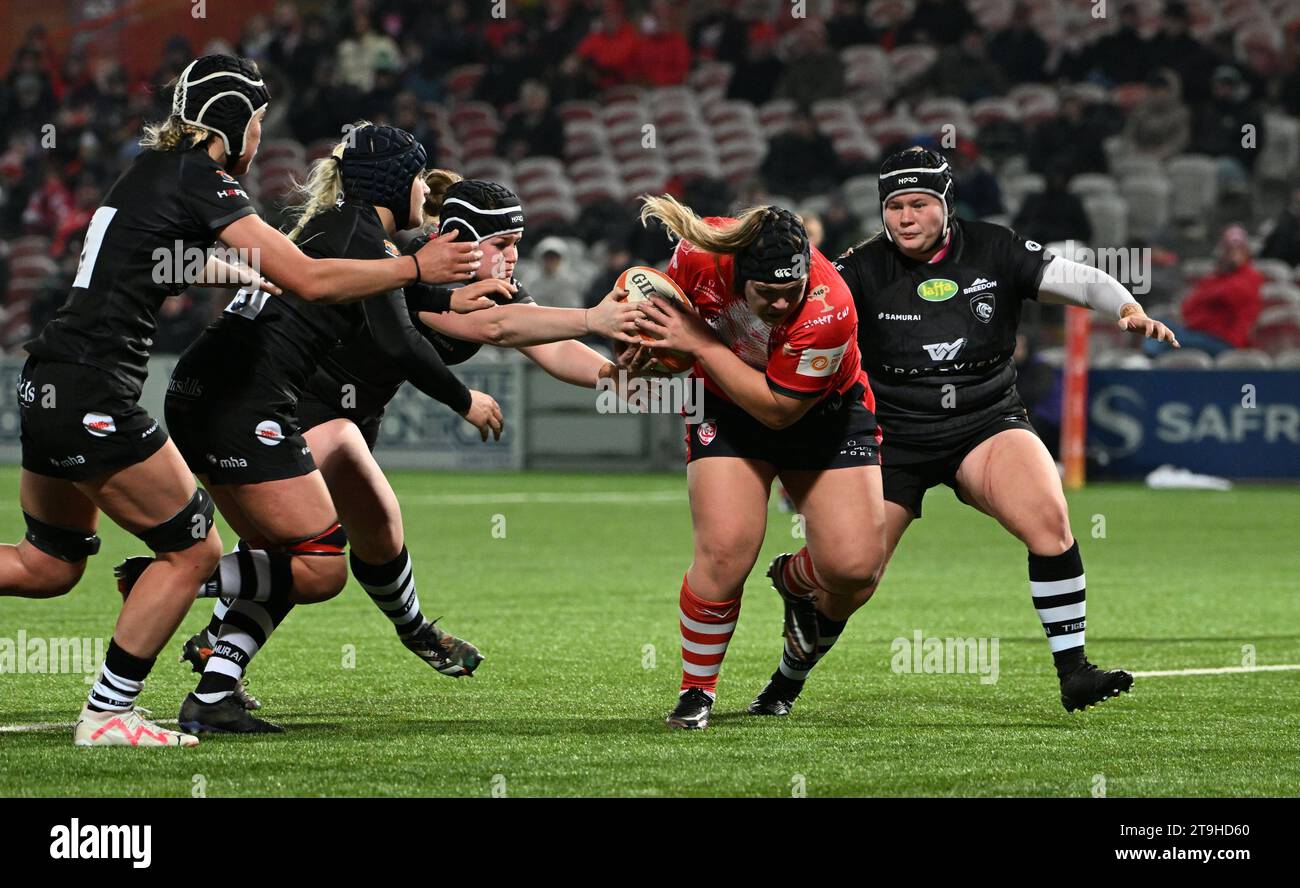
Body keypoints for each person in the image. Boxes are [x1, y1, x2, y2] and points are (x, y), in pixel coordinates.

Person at [0, 56, 478, 748]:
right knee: (193, 550)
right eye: (255, 122)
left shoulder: (149, 171)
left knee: (48, 564)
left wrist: (247, 269)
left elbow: (169, 259)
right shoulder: (203, 177)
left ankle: (130, 702)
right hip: (92, 391)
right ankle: (108, 713)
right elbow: (311, 277)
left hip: (47, 381)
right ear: (231, 121)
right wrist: (415, 267)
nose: (258, 137)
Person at [176, 172, 644, 704]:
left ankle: (216, 675)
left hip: (348, 414)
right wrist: (592, 317)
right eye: (504, 245)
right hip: (301, 404)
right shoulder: (406, 261)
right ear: (464, 236)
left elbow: (548, 345)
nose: (515, 258)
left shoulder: (484, 281)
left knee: (347, 543)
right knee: (345, 538)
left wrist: (617, 379)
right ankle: (196, 582)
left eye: (518, 245)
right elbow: (495, 329)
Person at [155, 123, 495, 734]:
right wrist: (463, 399)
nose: (424, 188)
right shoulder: (368, 237)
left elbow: (386, 301)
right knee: (320, 566)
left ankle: (214, 692)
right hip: (246, 405)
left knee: (288, 556)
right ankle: (191, 570)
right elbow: (397, 338)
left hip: (203, 392)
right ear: (393, 182)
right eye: (417, 175)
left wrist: (443, 298)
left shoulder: (335, 227)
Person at [812, 147, 1179, 713]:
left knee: (1049, 521)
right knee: (852, 582)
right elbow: (805, 327)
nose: (906, 218)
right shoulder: (856, 269)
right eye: (894, 207)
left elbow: (1075, 279)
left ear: (946, 205)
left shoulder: (993, 246)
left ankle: (1074, 671)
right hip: (892, 438)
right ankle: (787, 680)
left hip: (985, 421)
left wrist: (1126, 307)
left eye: (919, 204)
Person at [633, 195, 887, 730]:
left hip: (821, 413)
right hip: (725, 408)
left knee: (854, 568)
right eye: (766, 294)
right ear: (738, 276)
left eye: (789, 291)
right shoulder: (698, 256)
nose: (779, 304)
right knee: (724, 552)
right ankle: (696, 691)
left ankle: (795, 580)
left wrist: (698, 344)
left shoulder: (830, 306)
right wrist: (648, 351)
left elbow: (778, 411)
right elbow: (670, 334)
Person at [1144, 224, 1264, 357]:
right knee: (1158, 323)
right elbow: (1188, 307)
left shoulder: (1250, 275)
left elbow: (1232, 294)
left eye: (1238, 249)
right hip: (1198, 334)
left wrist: (1209, 294)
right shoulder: (1214, 278)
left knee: (1167, 337)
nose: (1233, 254)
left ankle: (1147, 362)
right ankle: (1148, 359)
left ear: (1246, 251)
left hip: (1225, 341)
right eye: (1228, 249)